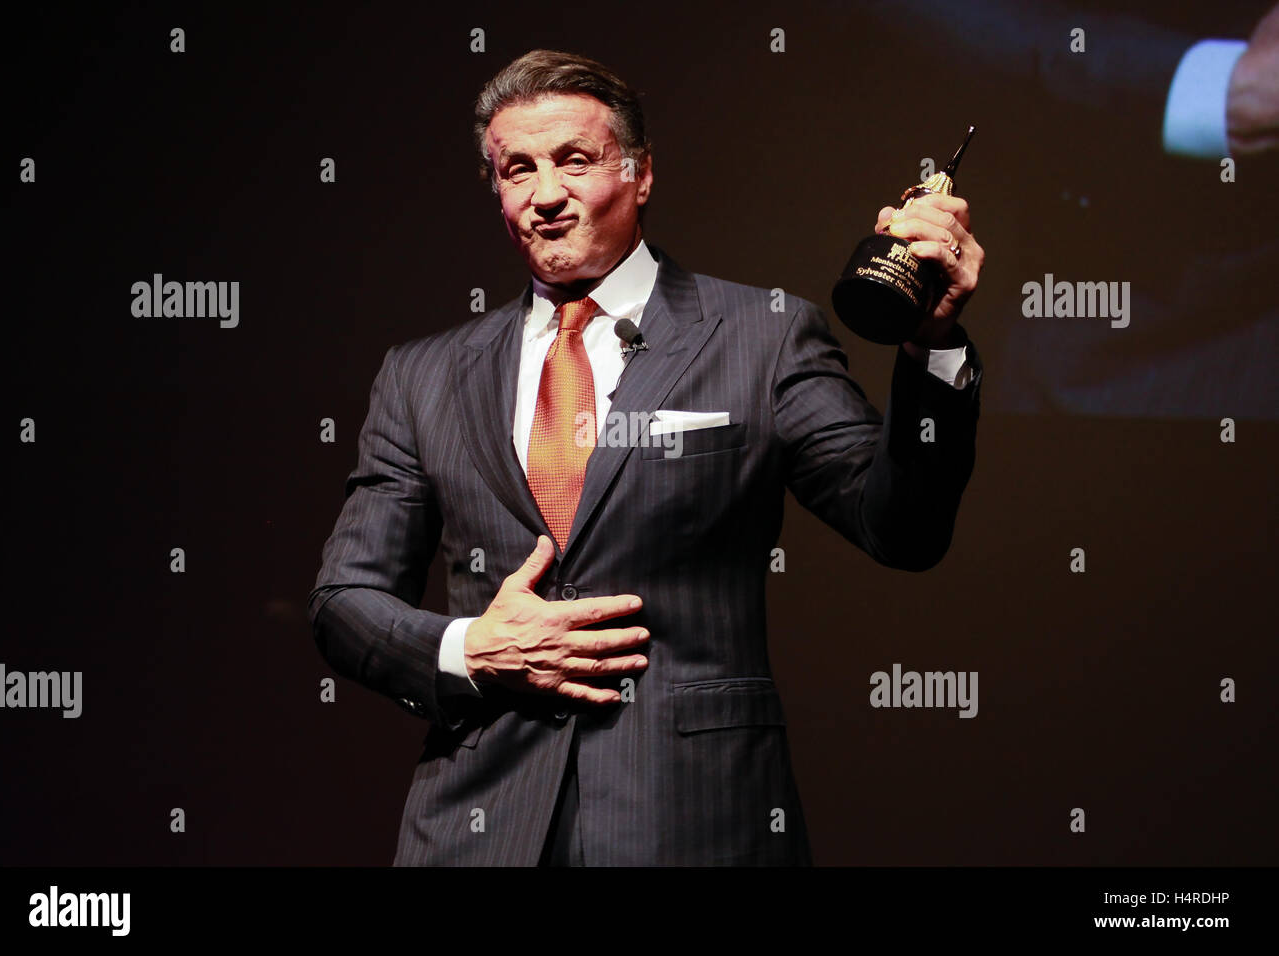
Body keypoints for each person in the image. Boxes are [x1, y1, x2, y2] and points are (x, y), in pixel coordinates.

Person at [308, 49, 986, 865]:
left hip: (693, 818)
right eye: (516, 169)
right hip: (478, 827)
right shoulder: (421, 375)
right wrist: (470, 649)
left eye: (575, 160)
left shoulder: (761, 337)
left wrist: (930, 342)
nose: (545, 195)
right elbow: (345, 602)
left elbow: (902, 529)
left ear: (641, 174)